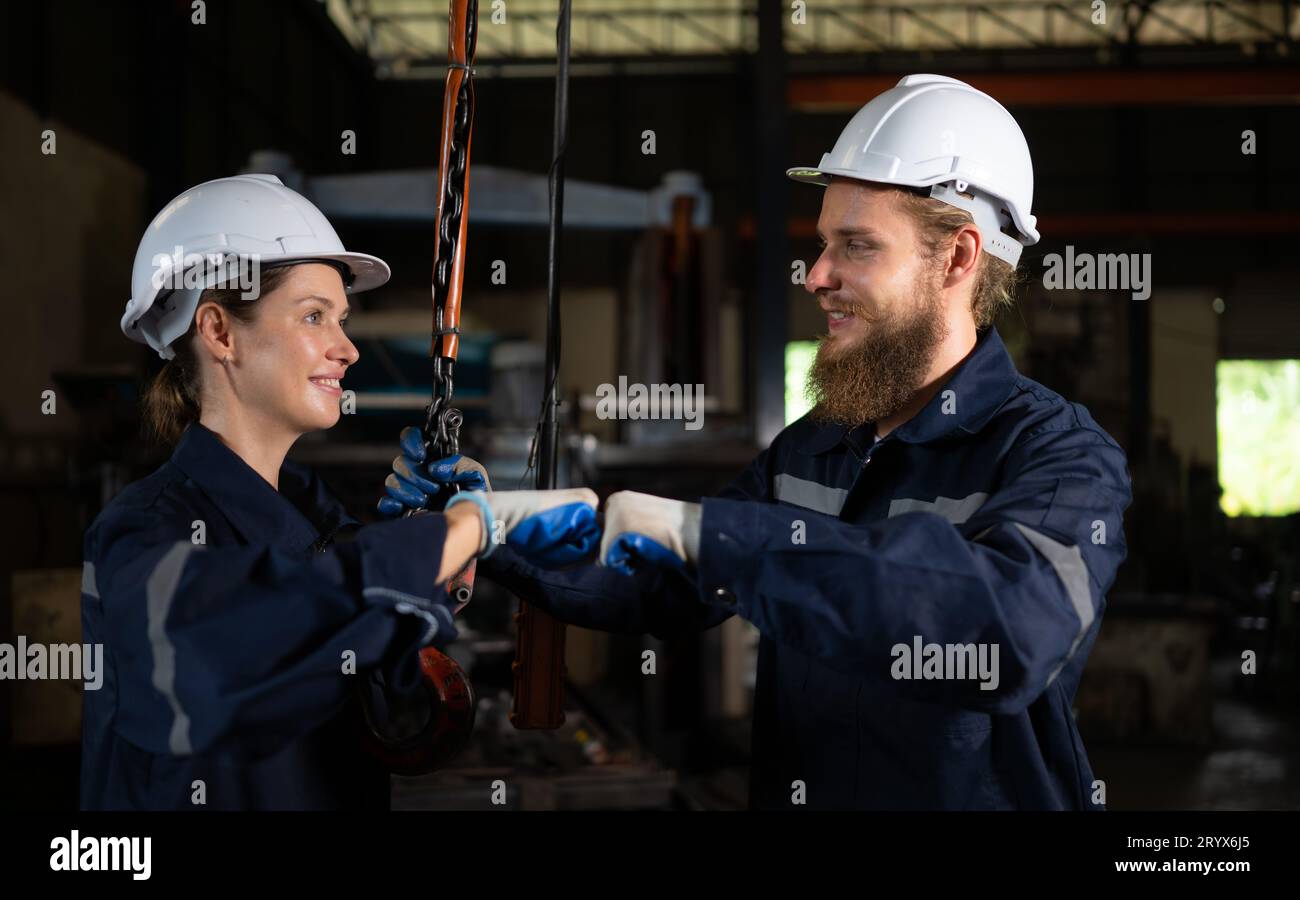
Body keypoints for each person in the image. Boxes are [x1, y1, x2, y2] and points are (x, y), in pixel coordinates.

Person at [384, 75, 1133, 810]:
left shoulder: (1058, 455)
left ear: (959, 257)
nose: (817, 275)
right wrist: (493, 526)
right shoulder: (818, 445)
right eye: (823, 243)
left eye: (857, 246)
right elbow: (668, 582)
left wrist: (718, 539)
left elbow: (1014, 629)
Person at [81, 174, 598, 810]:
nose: (347, 349)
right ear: (219, 332)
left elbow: (392, 712)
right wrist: (447, 537)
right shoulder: (145, 532)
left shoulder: (316, 522)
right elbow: (235, 648)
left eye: (342, 319)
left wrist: (445, 565)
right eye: (314, 316)